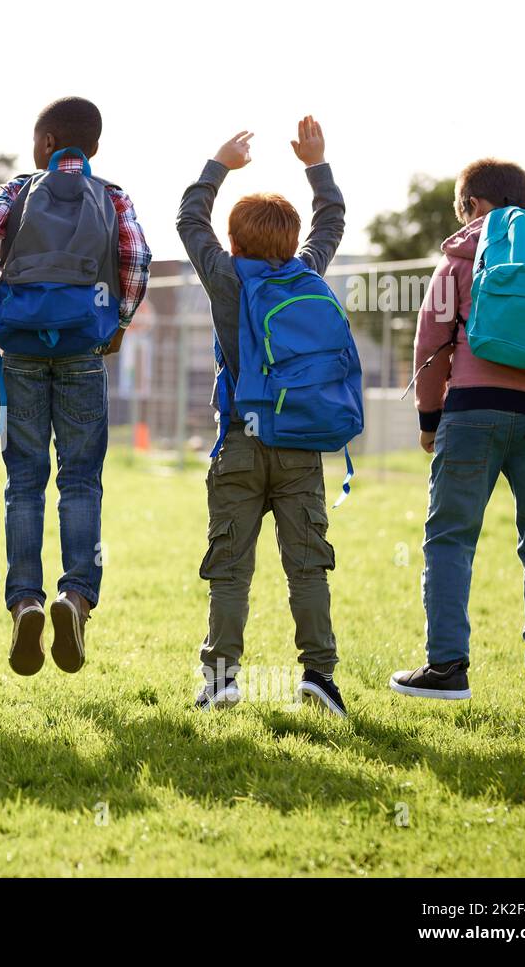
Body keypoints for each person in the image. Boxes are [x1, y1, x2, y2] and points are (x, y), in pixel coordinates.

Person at [391, 159, 525, 704]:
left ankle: (447, 669)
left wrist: (428, 417)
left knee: (450, 538)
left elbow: (430, 342)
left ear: (475, 206)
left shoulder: (459, 260)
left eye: (462, 209)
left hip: (470, 414)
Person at [0, 96, 151, 676]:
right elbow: (137, 259)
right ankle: (76, 596)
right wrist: (118, 321)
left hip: (19, 343)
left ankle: (25, 600)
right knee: (80, 479)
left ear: (46, 142)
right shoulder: (113, 196)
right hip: (82, 347)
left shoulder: (19, 189)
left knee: (24, 480)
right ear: (92, 147)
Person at [177, 117, 350, 716]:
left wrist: (218, 164)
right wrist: (315, 164)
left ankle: (221, 679)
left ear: (235, 244)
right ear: (290, 240)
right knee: (308, 569)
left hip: (241, 445)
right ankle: (320, 677)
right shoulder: (308, 273)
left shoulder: (226, 279)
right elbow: (332, 220)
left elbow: (187, 220)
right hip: (301, 443)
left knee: (230, 571)